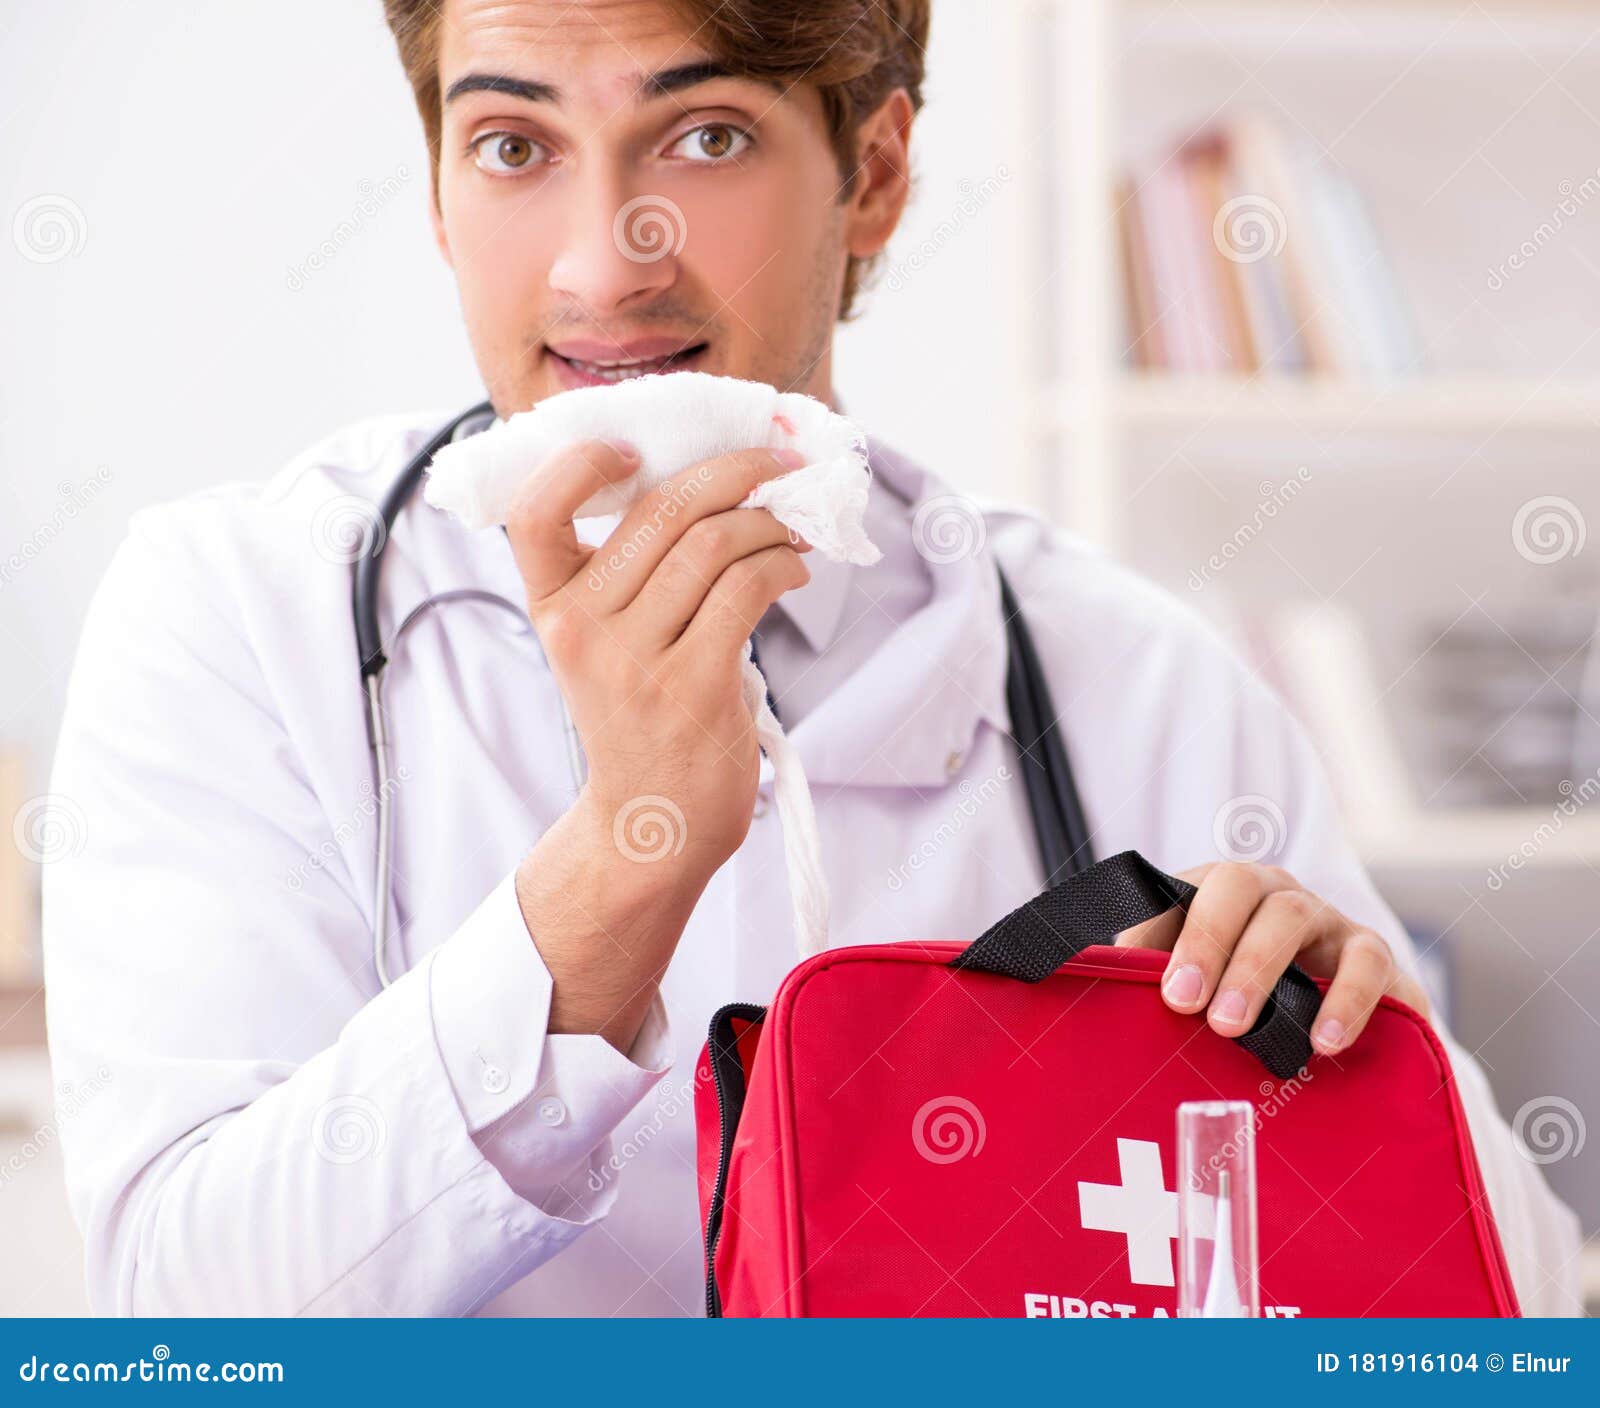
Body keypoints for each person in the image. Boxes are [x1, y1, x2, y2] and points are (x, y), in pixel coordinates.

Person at [43, 0, 1581, 1316]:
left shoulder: (1137, 681)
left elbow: (1515, 1305)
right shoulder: (242, 619)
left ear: (878, 176)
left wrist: (1340, 1084)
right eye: (514, 144)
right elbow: (181, 1323)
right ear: (441, 196)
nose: (602, 267)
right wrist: (619, 868)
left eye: (704, 134)